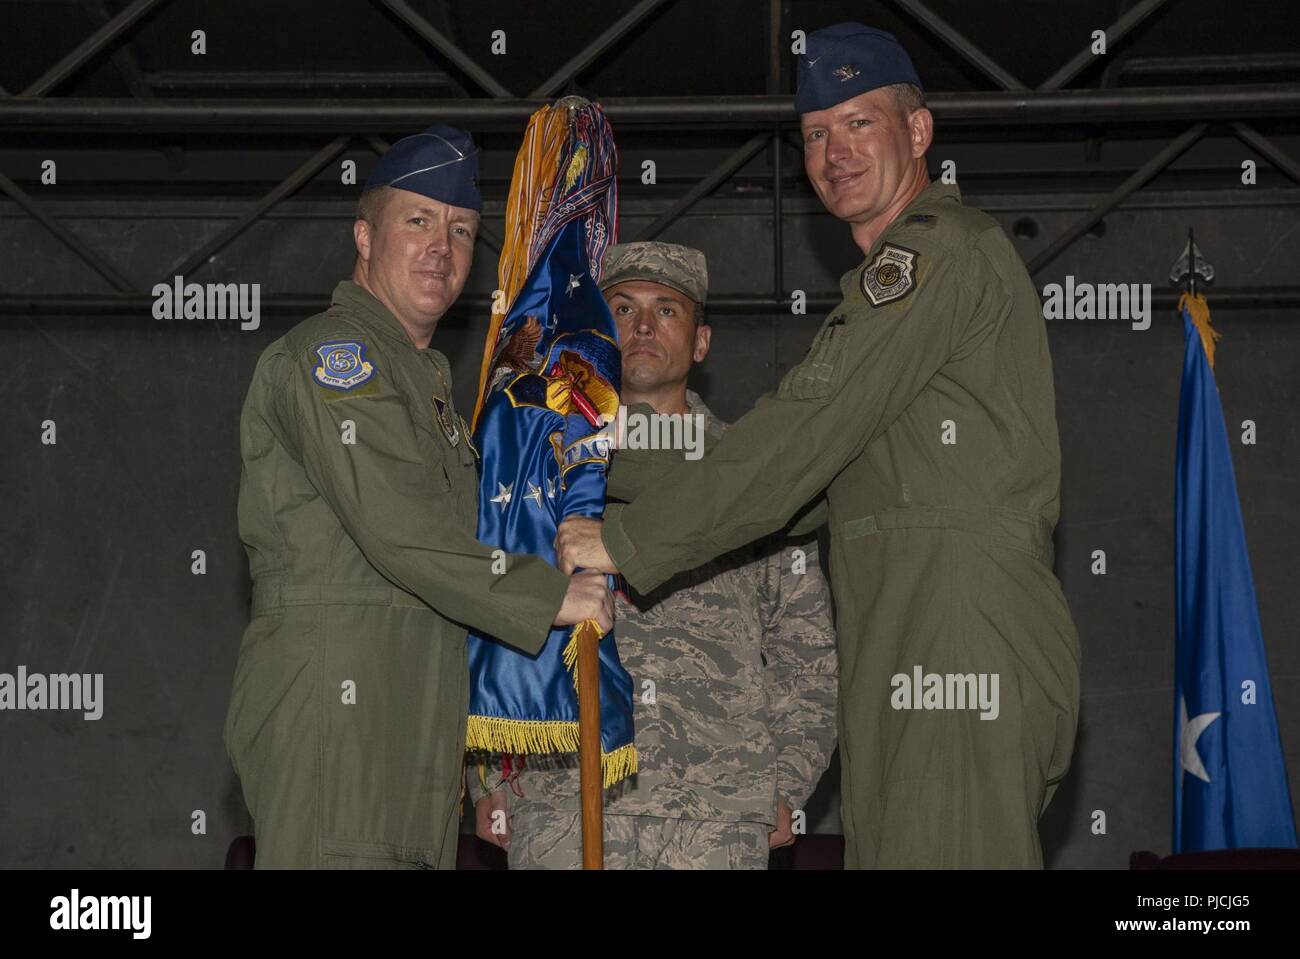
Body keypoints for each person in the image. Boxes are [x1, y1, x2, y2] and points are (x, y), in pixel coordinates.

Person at [556, 25, 1082, 869]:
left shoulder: (936, 253)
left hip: (950, 629)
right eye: (814, 135)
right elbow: (792, 478)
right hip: (907, 623)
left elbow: (801, 436)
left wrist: (621, 541)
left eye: (859, 124)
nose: (833, 152)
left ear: (919, 132)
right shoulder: (898, 285)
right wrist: (578, 469)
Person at [223, 124, 613, 869]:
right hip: (339, 732)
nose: (443, 245)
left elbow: (438, 591)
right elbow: (400, 532)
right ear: (363, 237)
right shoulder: (333, 359)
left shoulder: (421, 379)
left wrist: (475, 775)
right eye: (418, 221)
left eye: (462, 229)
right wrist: (547, 594)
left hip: (409, 737)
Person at [470, 242, 838, 869]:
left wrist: (786, 783)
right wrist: (490, 780)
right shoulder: (543, 465)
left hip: (716, 809)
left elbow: (807, 651)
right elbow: (490, 618)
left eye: (667, 310)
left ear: (701, 342)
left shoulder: (753, 474)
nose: (642, 325)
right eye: (623, 306)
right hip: (566, 801)